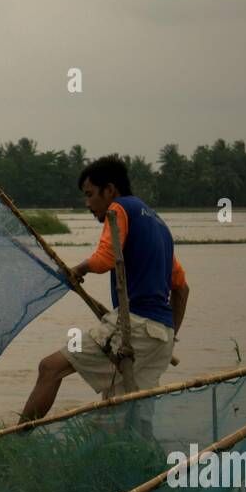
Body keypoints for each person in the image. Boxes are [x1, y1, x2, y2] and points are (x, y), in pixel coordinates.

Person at [21, 156, 177, 421]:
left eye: (90, 194)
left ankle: (14, 442)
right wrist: (173, 336)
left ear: (110, 190)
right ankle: (141, 460)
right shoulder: (158, 223)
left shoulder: (119, 208)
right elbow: (182, 288)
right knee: (123, 412)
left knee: (50, 368)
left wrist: (77, 271)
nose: (88, 204)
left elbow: (104, 260)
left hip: (135, 325)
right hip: (160, 336)